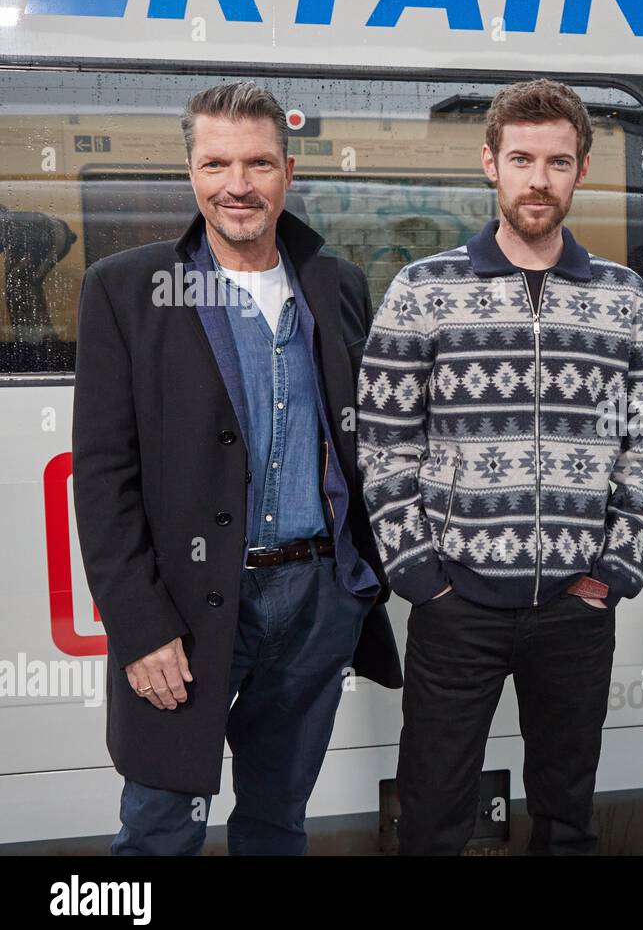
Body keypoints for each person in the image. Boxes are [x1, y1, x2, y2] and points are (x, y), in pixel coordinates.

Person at [72, 82, 401, 855]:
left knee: (278, 821)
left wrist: (358, 583)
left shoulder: (336, 282)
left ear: (289, 171)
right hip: (184, 608)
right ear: (191, 173)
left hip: (316, 600)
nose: (238, 185)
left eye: (258, 163)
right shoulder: (125, 289)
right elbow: (102, 476)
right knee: (158, 825)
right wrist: (139, 627)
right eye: (216, 163)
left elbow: (365, 440)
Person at [357, 78, 643, 855]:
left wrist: (615, 569)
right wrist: (421, 575)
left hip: (575, 604)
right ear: (489, 164)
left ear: (581, 171)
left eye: (558, 162)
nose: (540, 180)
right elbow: (381, 444)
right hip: (456, 603)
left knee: (567, 817)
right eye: (523, 159)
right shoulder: (423, 291)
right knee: (432, 815)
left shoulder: (625, 299)